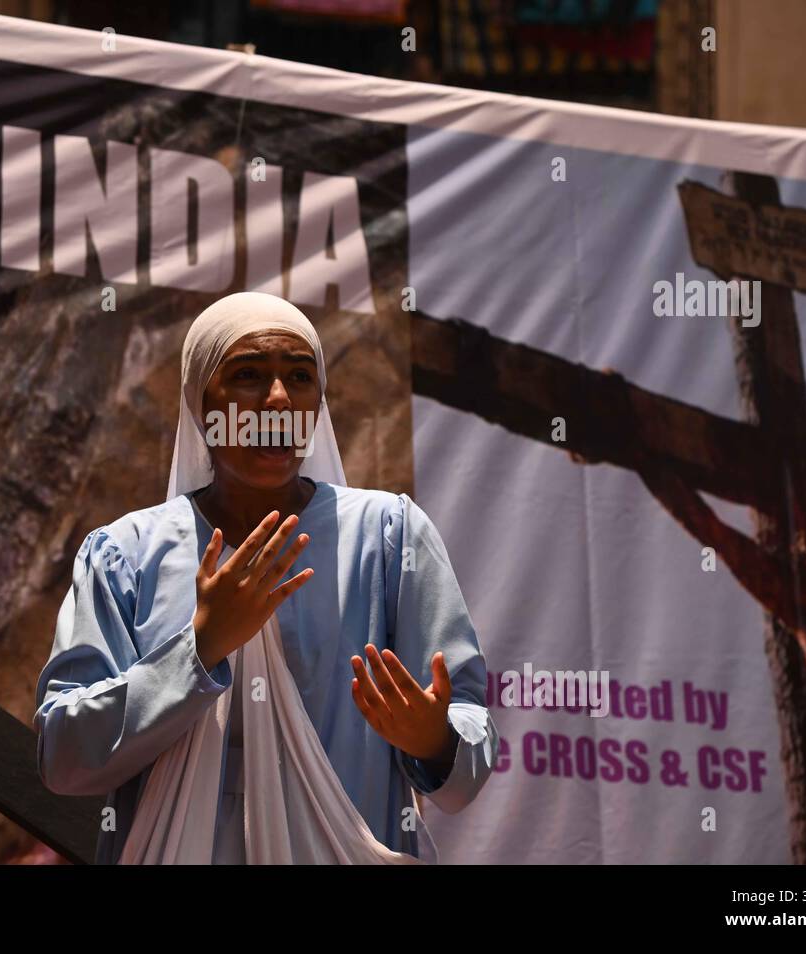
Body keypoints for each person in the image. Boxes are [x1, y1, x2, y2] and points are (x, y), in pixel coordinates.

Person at [33, 292, 499, 863]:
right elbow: (63, 756)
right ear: (200, 402)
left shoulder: (389, 536)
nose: (277, 399)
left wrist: (435, 742)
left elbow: (467, 734)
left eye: (300, 377)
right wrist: (198, 651)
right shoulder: (125, 554)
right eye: (249, 374)